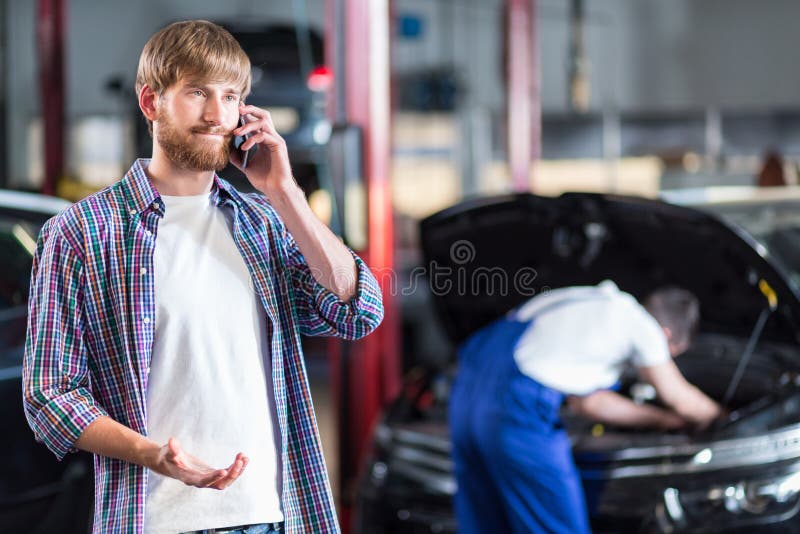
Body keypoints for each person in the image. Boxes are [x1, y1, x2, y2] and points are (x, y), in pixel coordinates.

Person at [23, 20, 384, 534]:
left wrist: (285, 193)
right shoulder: (83, 232)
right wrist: (153, 455)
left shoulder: (262, 223)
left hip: (275, 516)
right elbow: (49, 394)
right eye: (197, 93)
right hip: (155, 520)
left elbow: (357, 311)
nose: (217, 114)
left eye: (230, 96)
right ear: (151, 102)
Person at [448, 280, 721, 534]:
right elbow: (679, 397)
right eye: (671, 356)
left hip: (466, 395)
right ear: (666, 335)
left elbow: (589, 403)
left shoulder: (590, 299)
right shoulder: (642, 326)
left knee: (486, 523)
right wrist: (721, 416)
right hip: (517, 409)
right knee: (557, 523)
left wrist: (664, 421)